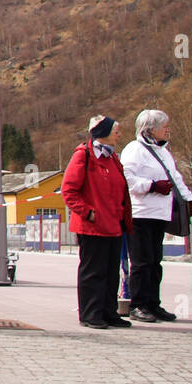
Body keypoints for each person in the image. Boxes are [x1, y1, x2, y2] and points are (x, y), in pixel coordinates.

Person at [121, 109, 192, 322]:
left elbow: (176, 179)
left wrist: (190, 200)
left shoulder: (164, 152)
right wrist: (152, 186)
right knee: (141, 261)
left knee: (155, 261)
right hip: (140, 213)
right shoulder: (134, 150)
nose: (168, 130)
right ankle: (138, 304)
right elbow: (127, 180)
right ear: (151, 129)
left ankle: (152, 303)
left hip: (160, 214)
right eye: (164, 127)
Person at [61, 115, 133, 329]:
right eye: (115, 131)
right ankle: (90, 313)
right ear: (104, 133)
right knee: (93, 271)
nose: (119, 135)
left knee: (111, 272)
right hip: (93, 226)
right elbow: (69, 190)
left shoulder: (113, 158)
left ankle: (109, 312)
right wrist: (89, 213)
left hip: (113, 225)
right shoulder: (84, 156)